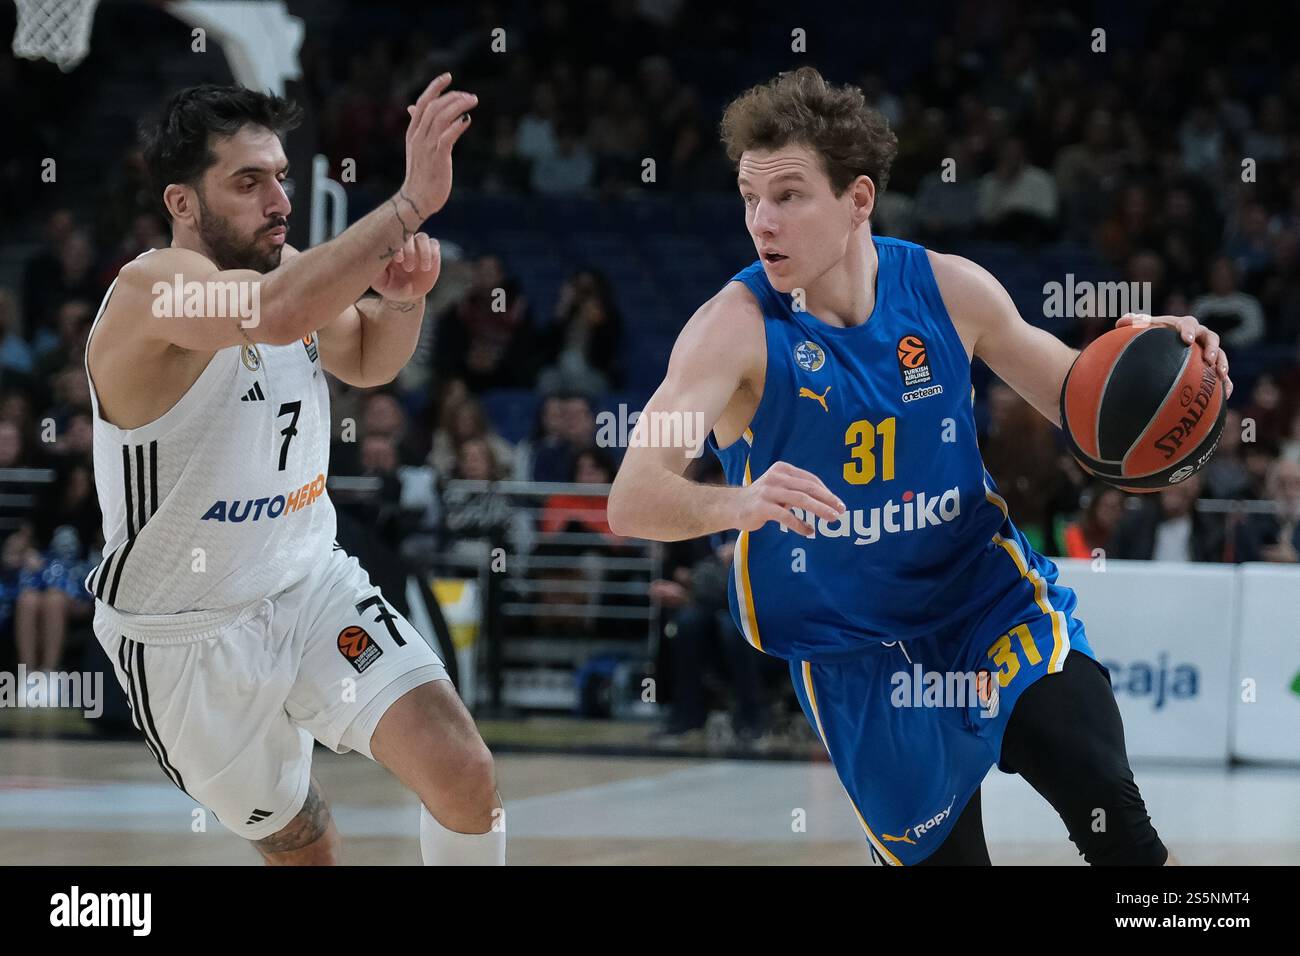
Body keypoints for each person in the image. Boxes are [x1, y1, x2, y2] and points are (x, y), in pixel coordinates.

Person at [609, 68, 1233, 866]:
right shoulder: (730, 333)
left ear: (858, 199)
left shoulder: (950, 290)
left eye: (789, 195)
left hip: (981, 600)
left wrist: (1156, 357)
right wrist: (735, 505)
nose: (761, 222)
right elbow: (632, 499)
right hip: (853, 651)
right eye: (749, 198)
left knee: (1118, 822)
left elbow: (1082, 400)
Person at [81, 80, 504, 865]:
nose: (278, 199)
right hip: (187, 636)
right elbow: (273, 312)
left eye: (280, 176)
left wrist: (404, 302)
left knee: (463, 769)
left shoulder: (292, 275)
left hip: (309, 587)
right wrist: (409, 202)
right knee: (305, 845)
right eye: (248, 183)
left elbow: (371, 359)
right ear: (182, 201)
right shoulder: (151, 292)